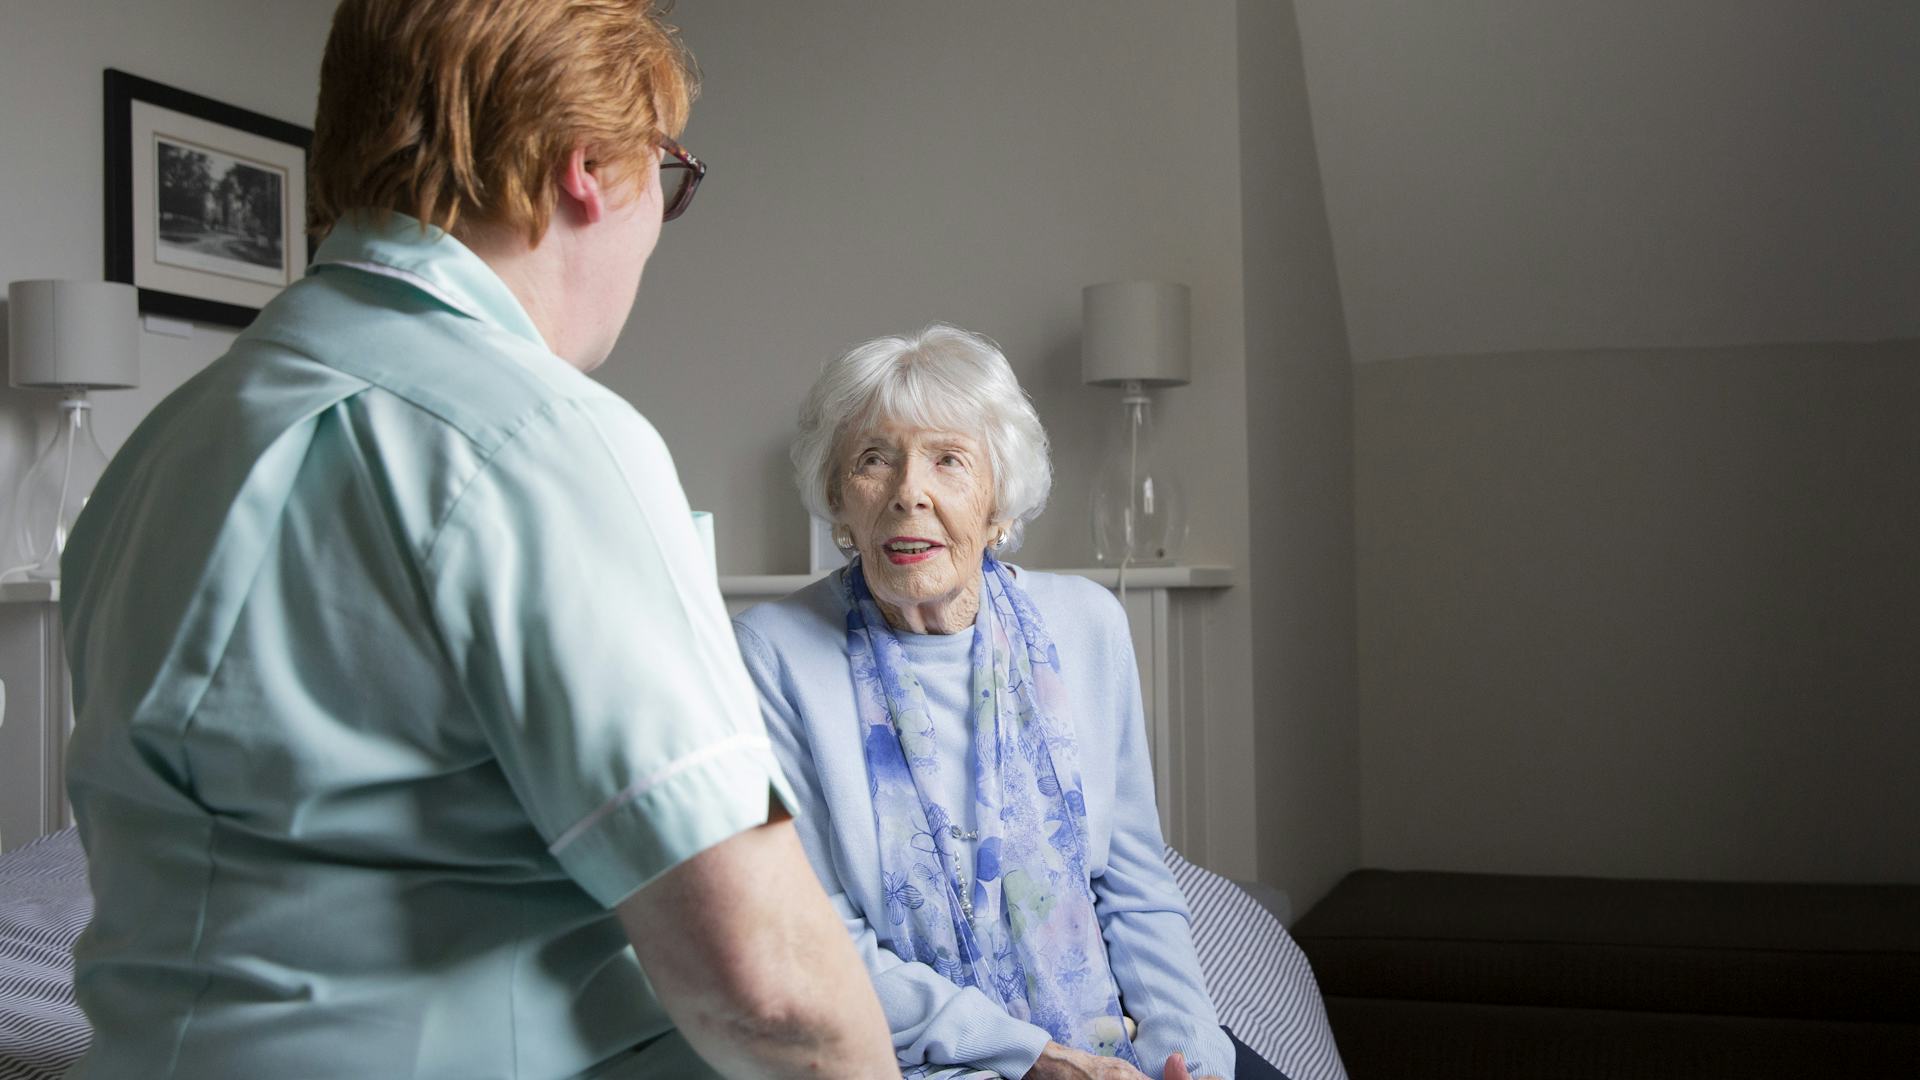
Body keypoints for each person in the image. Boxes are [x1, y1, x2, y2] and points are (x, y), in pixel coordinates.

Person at [58, 1, 896, 1076]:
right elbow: (771, 991)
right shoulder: (540, 435)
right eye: (667, 178)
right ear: (588, 166)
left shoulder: (159, 451)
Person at [732, 326, 1287, 1080]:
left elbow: (1134, 882)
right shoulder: (774, 651)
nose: (909, 493)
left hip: (1107, 1030)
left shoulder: (1089, 624)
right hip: (919, 1055)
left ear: (1000, 502)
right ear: (838, 500)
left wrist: (1188, 1053)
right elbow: (818, 936)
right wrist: (1033, 1058)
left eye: (949, 460)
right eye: (873, 460)